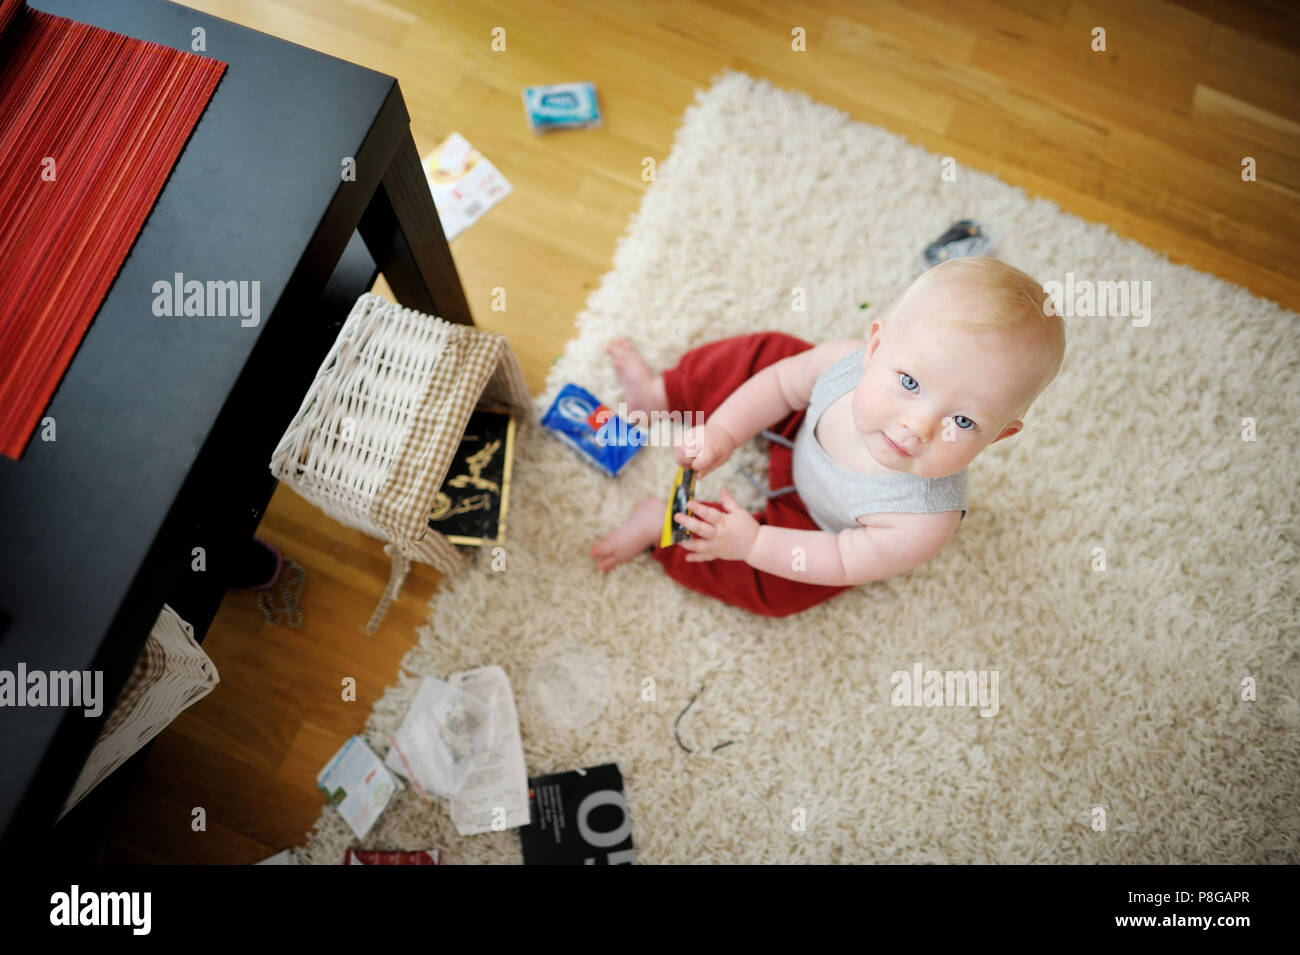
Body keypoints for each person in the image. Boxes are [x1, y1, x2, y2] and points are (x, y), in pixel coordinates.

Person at [588, 256, 1066, 617]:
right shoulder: (842, 363)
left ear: (1001, 434)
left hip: (816, 524)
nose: (917, 427)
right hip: (801, 428)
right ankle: (662, 394)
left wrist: (754, 544)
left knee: (775, 588)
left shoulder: (925, 520)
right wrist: (723, 431)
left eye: (963, 422)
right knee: (771, 357)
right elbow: (778, 386)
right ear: (874, 347)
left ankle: (662, 527)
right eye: (910, 383)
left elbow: (840, 560)